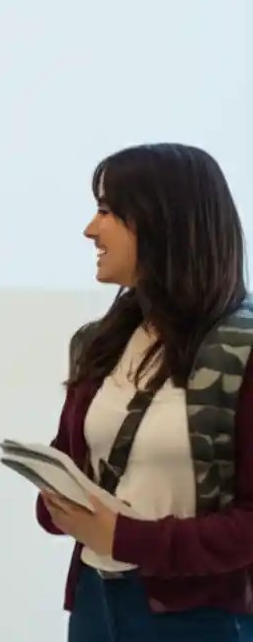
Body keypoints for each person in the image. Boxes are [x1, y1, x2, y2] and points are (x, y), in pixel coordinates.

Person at [36, 143, 253, 640]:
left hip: (203, 616)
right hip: (96, 599)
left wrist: (128, 537)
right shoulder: (100, 340)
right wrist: (55, 494)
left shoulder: (244, 350)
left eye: (107, 211)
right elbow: (73, 459)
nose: (91, 229)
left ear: (163, 222)